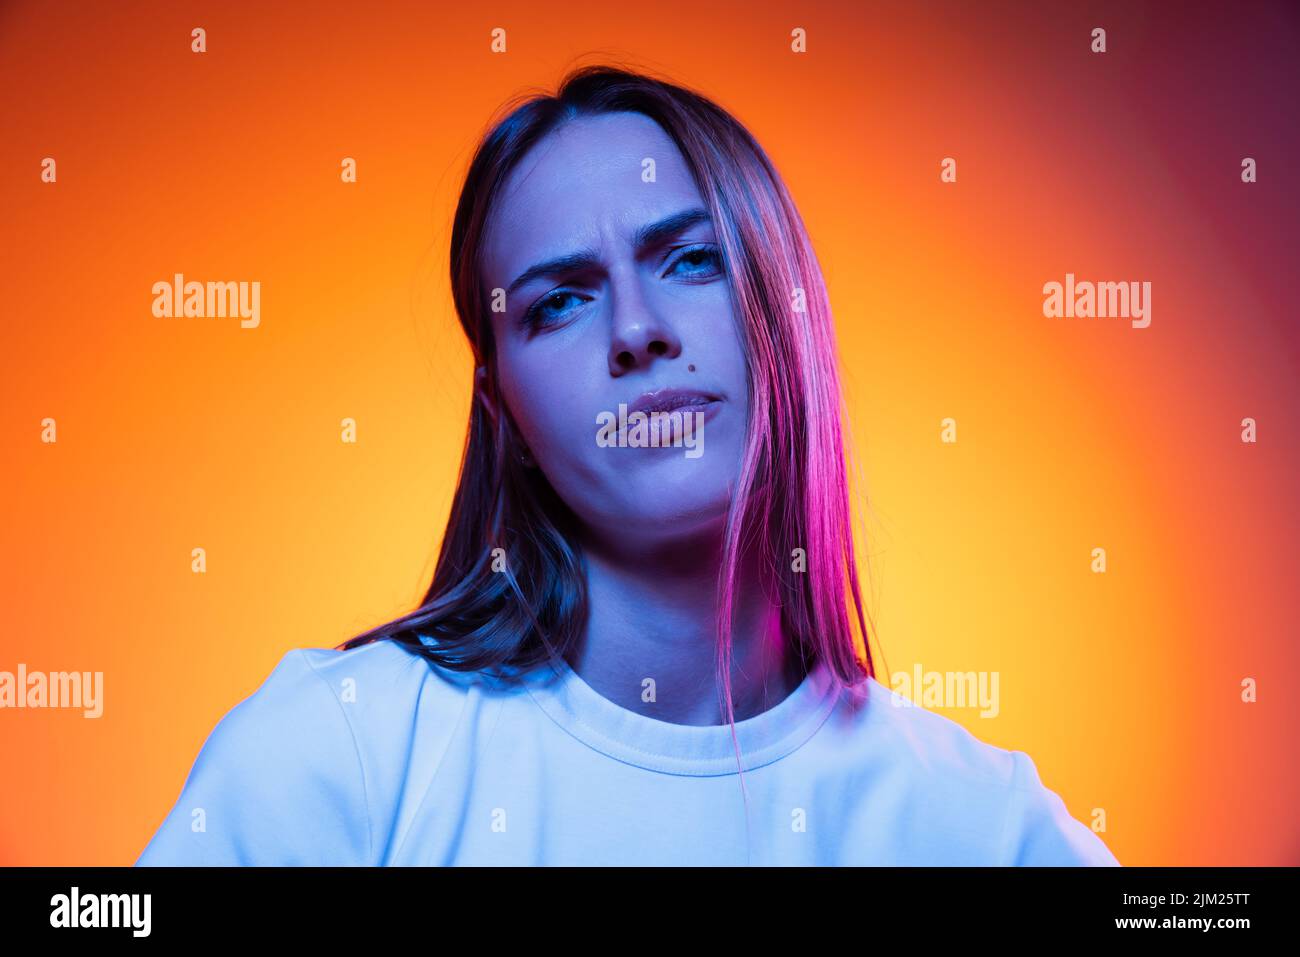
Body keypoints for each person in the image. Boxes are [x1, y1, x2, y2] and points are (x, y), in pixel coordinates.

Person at [136, 64, 1120, 867]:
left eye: (690, 261)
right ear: (505, 414)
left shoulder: (984, 829)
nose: (637, 332)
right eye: (558, 302)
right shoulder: (336, 755)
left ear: (787, 310)